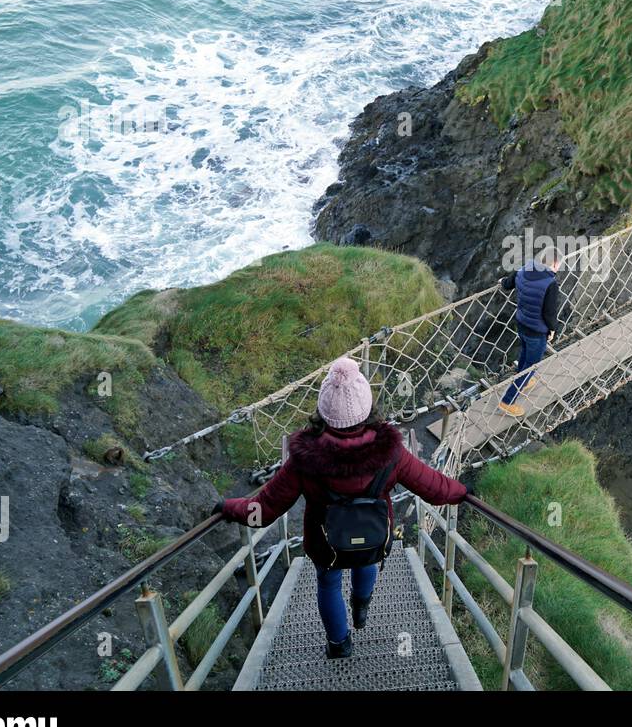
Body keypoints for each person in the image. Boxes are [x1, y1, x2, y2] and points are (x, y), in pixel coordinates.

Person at [215, 357, 467, 659]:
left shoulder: (303, 460)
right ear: (367, 405)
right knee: (366, 562)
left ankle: (339, 644)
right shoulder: (393, 454)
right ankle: (361, 606)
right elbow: (434, 487)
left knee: (328, 583)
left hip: (326, 542)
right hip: (372, 535)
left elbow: (263, 509)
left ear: (323, 409)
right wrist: (463, 492)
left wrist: (229, 507)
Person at [496, 247, 562, 417]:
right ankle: (507, 402)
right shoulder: (551, 284)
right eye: (558, 265)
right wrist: (553, 329)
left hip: (521, 323)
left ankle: (523, 378)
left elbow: (507, 284)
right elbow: (549, 314)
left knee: (525, 352)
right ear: (554, 264)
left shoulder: (524, 269)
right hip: (537, 331)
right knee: (531, 366)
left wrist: (501, 282)